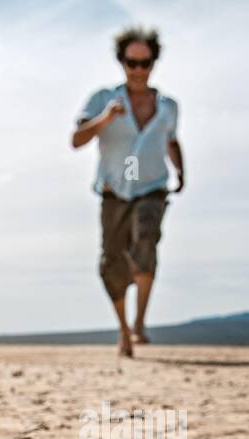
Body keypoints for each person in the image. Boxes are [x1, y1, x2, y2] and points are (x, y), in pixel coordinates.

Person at [72, 26, 184, 358]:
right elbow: (77, 139)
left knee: (145, 241)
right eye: (131, 63)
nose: (138, 70)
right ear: (121, 62)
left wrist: (181, 169)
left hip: (151, 188)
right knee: (112, 265)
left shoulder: (168, 107)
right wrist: (105, 119)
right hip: (113, 191)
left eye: (144, 63)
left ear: (153, 63)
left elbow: (171, 140)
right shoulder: (103, 99)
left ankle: (139, 322)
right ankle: (123, 330)